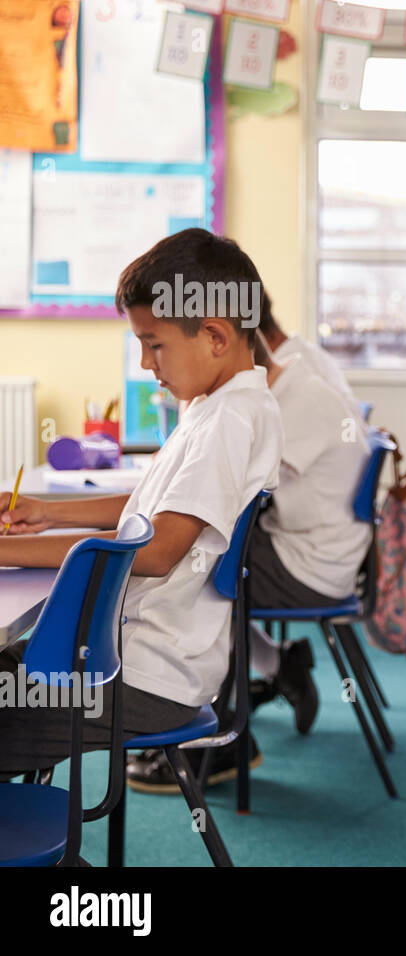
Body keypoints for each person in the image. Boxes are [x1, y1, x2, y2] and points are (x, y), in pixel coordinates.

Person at [0, 229, 283, 779]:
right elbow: (153, 505)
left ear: (215, 336)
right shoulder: (219, 405)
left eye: (155, 344)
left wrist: (15, 551)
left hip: (145, 677)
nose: (147, 363)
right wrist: (46, 511)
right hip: (134, 658)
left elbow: (156, 551)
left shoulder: (228, 421)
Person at [127, 333, 371, 791]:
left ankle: (222, 738)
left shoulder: (292, 402)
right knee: (207, 555)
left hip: (311, 566)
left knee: (202, 565)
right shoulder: (287, 388)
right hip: (305, 544)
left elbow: (240, 498)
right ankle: (275, 667)